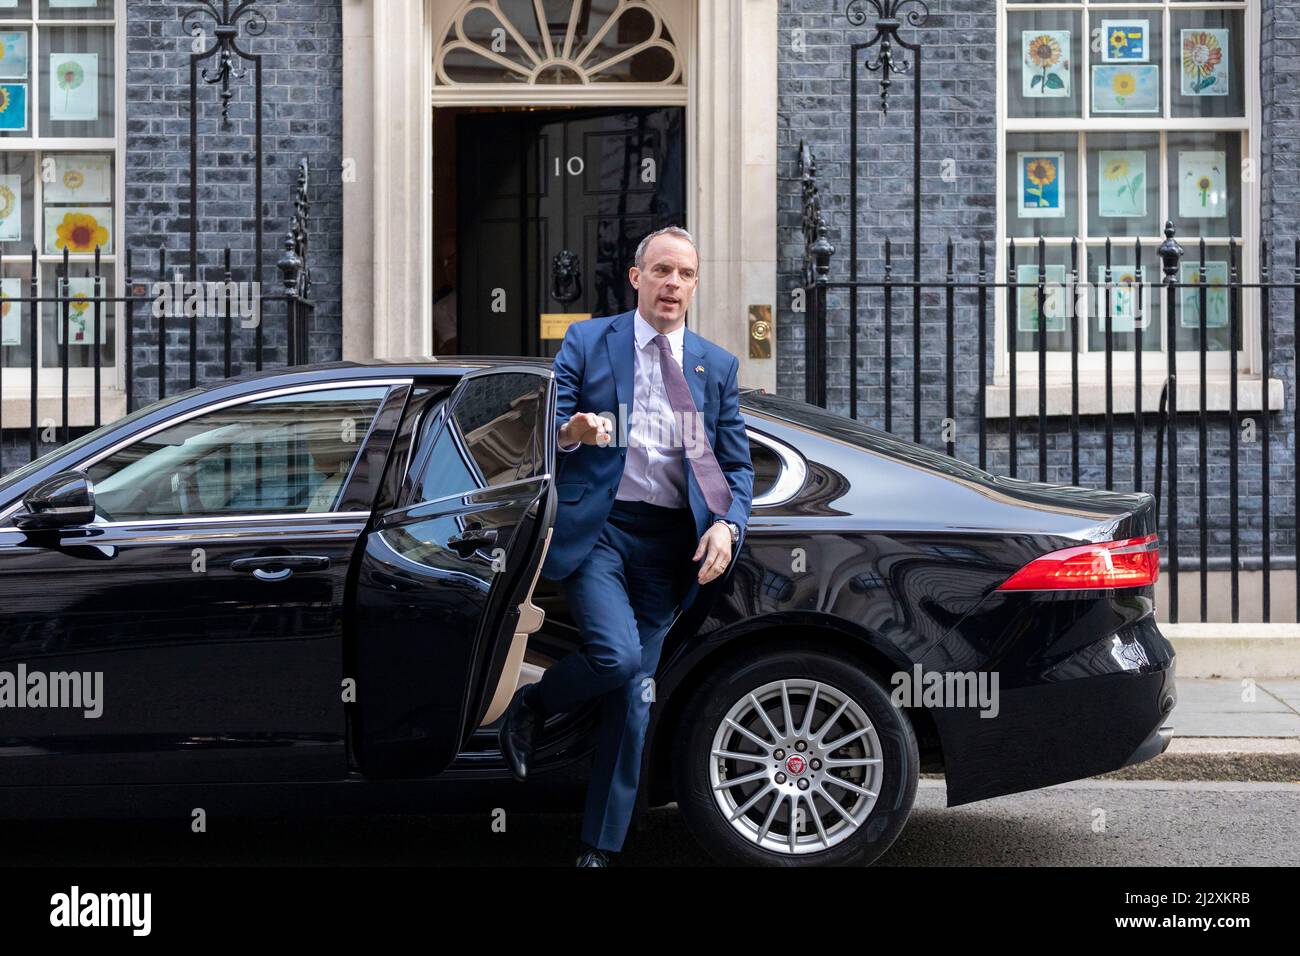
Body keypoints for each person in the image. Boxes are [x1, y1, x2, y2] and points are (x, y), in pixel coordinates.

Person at [498, 225, 754, 866]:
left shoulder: (714, 366)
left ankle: (599, 847)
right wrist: (571, 429)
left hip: (671, 548)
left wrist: (728, 523)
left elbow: (735, 467)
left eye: (686, 275)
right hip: (603, 533)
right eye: (662, 270)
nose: (673, 284)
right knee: (614, 660)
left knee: (635, 698)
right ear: (636, 277)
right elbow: (540, 429)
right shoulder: (589, 340)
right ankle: (533, 702)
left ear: (694, 286)